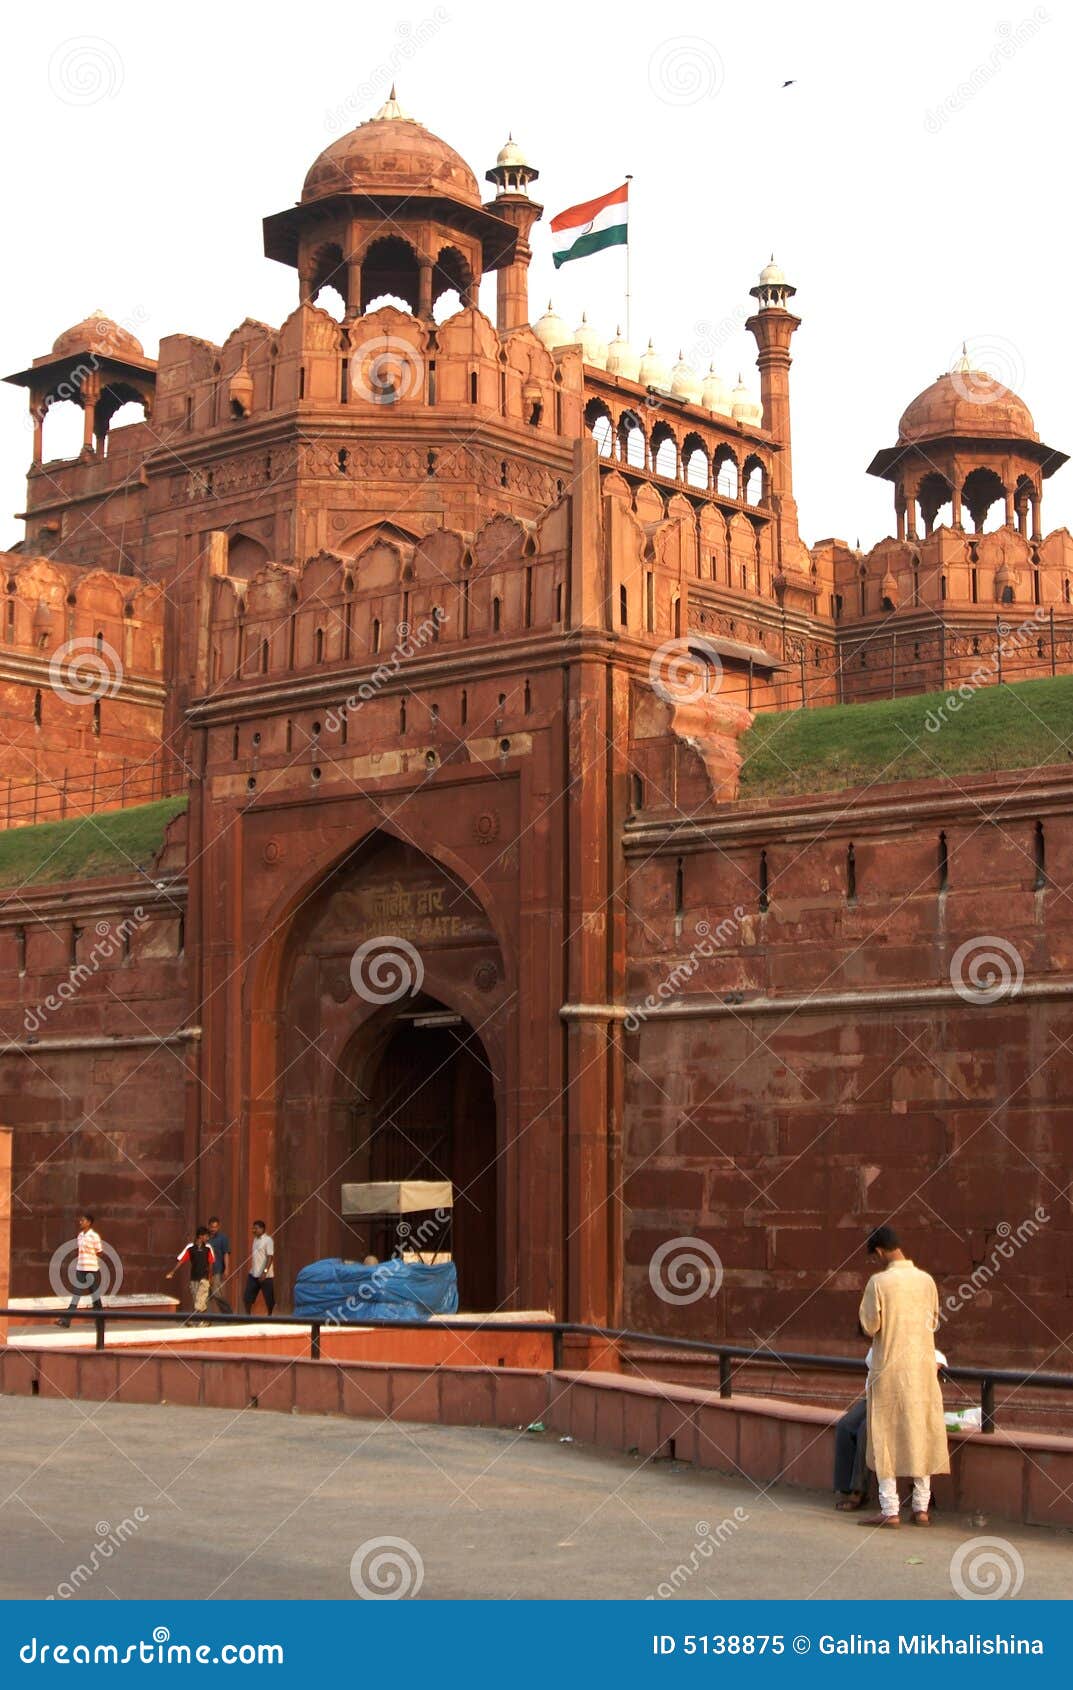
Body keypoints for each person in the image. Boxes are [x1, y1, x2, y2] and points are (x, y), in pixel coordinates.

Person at [857, 1224, 950, 1528]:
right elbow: (933, 1321)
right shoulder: (926, 1281)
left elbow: (870, 1325)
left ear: (880, 1251)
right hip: (921, 1370)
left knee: (885, 1436)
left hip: (889, 1371)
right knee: (920, 1433)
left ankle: (890, 1510)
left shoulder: (879, 1282)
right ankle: (921, 1509)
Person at [56, 1213, 105, 1328]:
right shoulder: (80, 1236)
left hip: (91, 1270)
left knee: (95, 1297)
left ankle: (100, 1320)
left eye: (82, 1220)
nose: (80, 1222)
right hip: (80, 1269)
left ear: (89, 1222)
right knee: (76, 1294)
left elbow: (100, 1252)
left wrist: (91, 1259)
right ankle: (66, 1320)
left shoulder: (94, 1236)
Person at [166, 1226, 216, 1323]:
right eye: (206, 1236)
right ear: (200, 1236)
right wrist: (172, 1271)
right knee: (198, 1302)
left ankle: (198, 1320)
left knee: (199, 1301)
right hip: (194, 1278)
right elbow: (181, 1260)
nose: (207, 1238)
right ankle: (203, 1320)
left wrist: (210, 1277)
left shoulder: (208, 1248)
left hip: (204, 1278)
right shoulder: (190, 1248)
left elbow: (210, 1263)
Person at [244, 1220, 275, 1316]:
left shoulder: (268, 1240)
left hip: (266, 1275)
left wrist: (265, 1272)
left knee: (269, 1299)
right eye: (253, 1228)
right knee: (247, 1297)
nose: (253, 1230)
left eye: (256, 1228)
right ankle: (247, 1317)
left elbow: (270, 1257)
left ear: (262, 1229)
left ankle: (270, 1315)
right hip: (253, 1274)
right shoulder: (255, 1239)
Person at [206, 1216, 232, 1313]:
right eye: (212, 1227)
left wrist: (226, 1268)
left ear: (218, 1227)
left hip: (217, 1269)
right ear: (208, 1226)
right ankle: (205, 1319)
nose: (213, 1229)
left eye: (215, 1227)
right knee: (205, 1294)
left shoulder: (223, 1238)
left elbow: (226, 1253)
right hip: (205, 1270)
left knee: (216, 1293)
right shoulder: (205, 1237)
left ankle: (229, 1314)